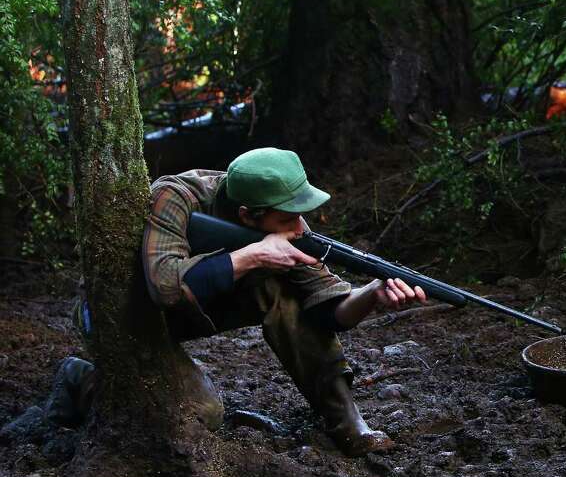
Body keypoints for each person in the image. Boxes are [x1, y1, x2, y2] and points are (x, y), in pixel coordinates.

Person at [141, 147, 426, 456]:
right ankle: (84, 381)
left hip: (199, 311)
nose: (300, 227)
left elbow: (328, 309)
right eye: (289, 218)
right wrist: (253, 255)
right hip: (133, 319)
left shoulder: (286, 221)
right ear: (247, 215)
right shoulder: (175, 196)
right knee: (203, 412)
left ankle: (345, 420)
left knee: (283, 290)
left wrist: (371, 293)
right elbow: (165, 288)